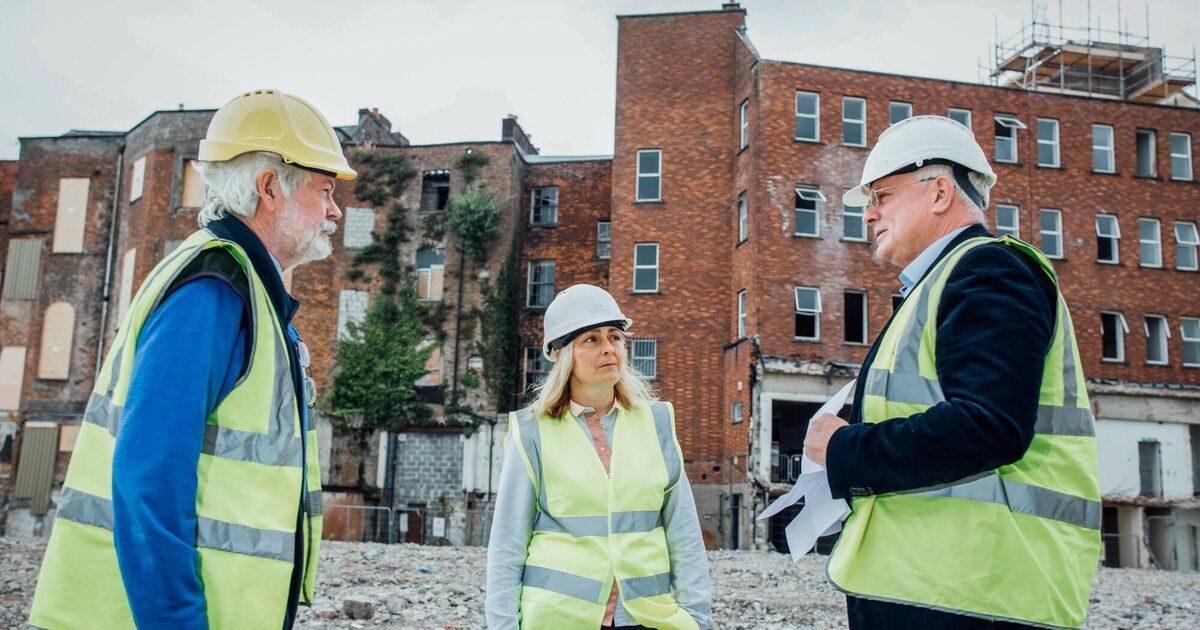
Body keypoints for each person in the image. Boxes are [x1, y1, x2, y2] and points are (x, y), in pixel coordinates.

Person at [29, 89, 357, 630]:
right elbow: (148, 479)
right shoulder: (213, 291)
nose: (334, 209)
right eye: (324, 190)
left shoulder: (239, 287)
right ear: (269, 187)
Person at [803, 115, 1100, 629]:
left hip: (978, 592)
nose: (869, 216)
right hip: (947, 587)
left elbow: (987, 426)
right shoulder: (940, 285)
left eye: (883, 196)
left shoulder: (988, 271)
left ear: (940, 192)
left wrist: (844, 449)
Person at [486, 284, 711, 630]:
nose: (609, 349)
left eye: (614, 337)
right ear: (561, 354)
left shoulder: (657, 422)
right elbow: (506, 547)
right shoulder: (532, 432)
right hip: (558, 619)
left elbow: (684, 533)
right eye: (591, 339)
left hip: (648, 618)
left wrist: (697, 619)